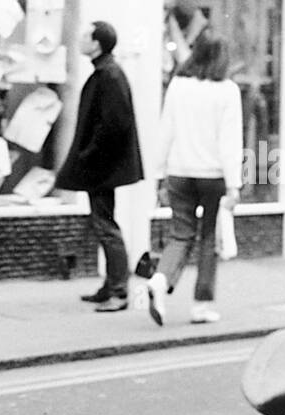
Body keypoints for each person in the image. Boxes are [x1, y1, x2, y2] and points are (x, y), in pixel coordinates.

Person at [143, 30, 242, 326]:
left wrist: (158, 175)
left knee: (180, 234)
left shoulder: (178, 86)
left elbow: (165, 131)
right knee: (209, 239)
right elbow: (230, 142)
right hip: (212, 176)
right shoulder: (227, 90)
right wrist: (234, 184)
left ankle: (160, 280)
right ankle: (201, 306)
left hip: (178, 173)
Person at [54, 20, 144, 312]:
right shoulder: (105, 72)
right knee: (103, 223)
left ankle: (119, 291)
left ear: (97, 44)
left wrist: (90, 154)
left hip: (102, 167)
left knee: (105, 225)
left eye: (85, 35)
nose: (80, 38)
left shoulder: (109, 75)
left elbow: (115, 124)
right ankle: (111, 286)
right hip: (102, 165)